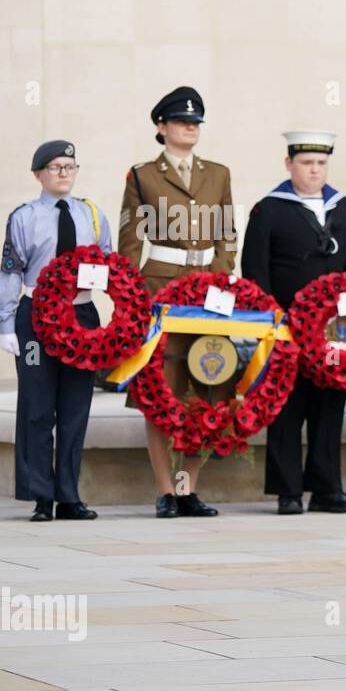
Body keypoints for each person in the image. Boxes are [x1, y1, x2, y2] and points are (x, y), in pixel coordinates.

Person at [241, 130, 346, 515]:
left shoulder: (345, 208)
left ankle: (326, 488)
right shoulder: (268, 209)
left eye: (321, 163)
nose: (314, 170)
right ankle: (288, 491)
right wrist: (269, 318)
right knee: (287, 406)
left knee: (330, 405)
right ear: (289, 164)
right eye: (306, 163)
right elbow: (255, 268)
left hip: (335, 330)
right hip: (287, 327)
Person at [119, 86, 238, 519]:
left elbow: (227, 232)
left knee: (205, 385)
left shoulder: (219, 173)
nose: (191, 127)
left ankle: (188, 487)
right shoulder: (141, 175)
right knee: (160, 390)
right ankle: (164, 490)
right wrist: (130, 298)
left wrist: (222, 277)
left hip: (208, 291)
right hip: (160, 289)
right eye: (182, 121)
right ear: (161, 127)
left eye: (196, 122)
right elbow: (130, 243)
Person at [0, 140, 110, 521]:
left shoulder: (92, 214)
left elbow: (107, 262)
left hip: (80, 315)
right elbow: (12, 269)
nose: (64, 173)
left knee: (76, 406)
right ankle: (41, 495)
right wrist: (6, 323)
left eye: (70, 166)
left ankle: (69, 494)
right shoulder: (25, 216)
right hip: (37, 317)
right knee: (38, 406)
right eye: (56, 167)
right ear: (38, 174)